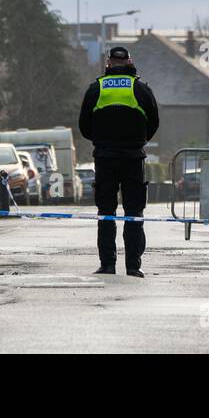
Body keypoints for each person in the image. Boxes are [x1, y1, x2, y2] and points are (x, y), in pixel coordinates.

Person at [77, 45, 160, 276]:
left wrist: (103, 141)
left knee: (106, 213)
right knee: (134, 213)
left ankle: (107, 264)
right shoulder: (141, 89)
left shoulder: (96, 89)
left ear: (109, 63)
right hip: (133, 158)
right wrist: (137, 141)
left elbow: (84, 126)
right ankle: (133, 266)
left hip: (104, 158)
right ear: (130, 62)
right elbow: (153, 122)